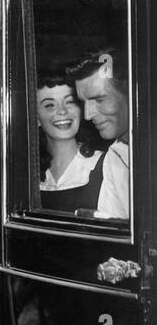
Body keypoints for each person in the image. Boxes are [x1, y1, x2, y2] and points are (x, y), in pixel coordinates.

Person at [68, 46, 130, 220]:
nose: (88, 115)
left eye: (100, 99)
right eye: (84, 103)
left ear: (131, 93)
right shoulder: (114, 157)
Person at [35, 70, 105, 213]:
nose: (62, 111)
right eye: (49, 105)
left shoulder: (106, 164)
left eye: (70, 102)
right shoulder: (29, 175)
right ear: (36, 117)